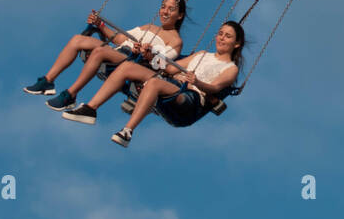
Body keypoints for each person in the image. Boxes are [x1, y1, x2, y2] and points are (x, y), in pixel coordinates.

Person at [60, 21, 244, 148]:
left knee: (154, 83)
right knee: (127, 67)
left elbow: (216, 87)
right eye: (220, 34)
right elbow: (171, 70)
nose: (221, 38)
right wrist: (151, 58)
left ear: (236, 44)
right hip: (173, 84)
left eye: (227, 36)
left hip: (191, 99)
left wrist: (197, 82)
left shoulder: (230, 68)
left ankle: (127, 131)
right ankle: (90, 109)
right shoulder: (202, 54)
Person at [22, 0, 186, 111]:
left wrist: (148, 54)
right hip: (120, 50)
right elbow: (120, 39)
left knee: (99, 52)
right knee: (77, 40)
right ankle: (48, 81)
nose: (164, 12)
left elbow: (164, 65)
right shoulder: (148, 27)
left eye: (171, 9)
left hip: (133, 61)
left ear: (179, 16)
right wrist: (100, 25)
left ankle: (71, 94)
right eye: (163, 7)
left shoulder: (175, 41)